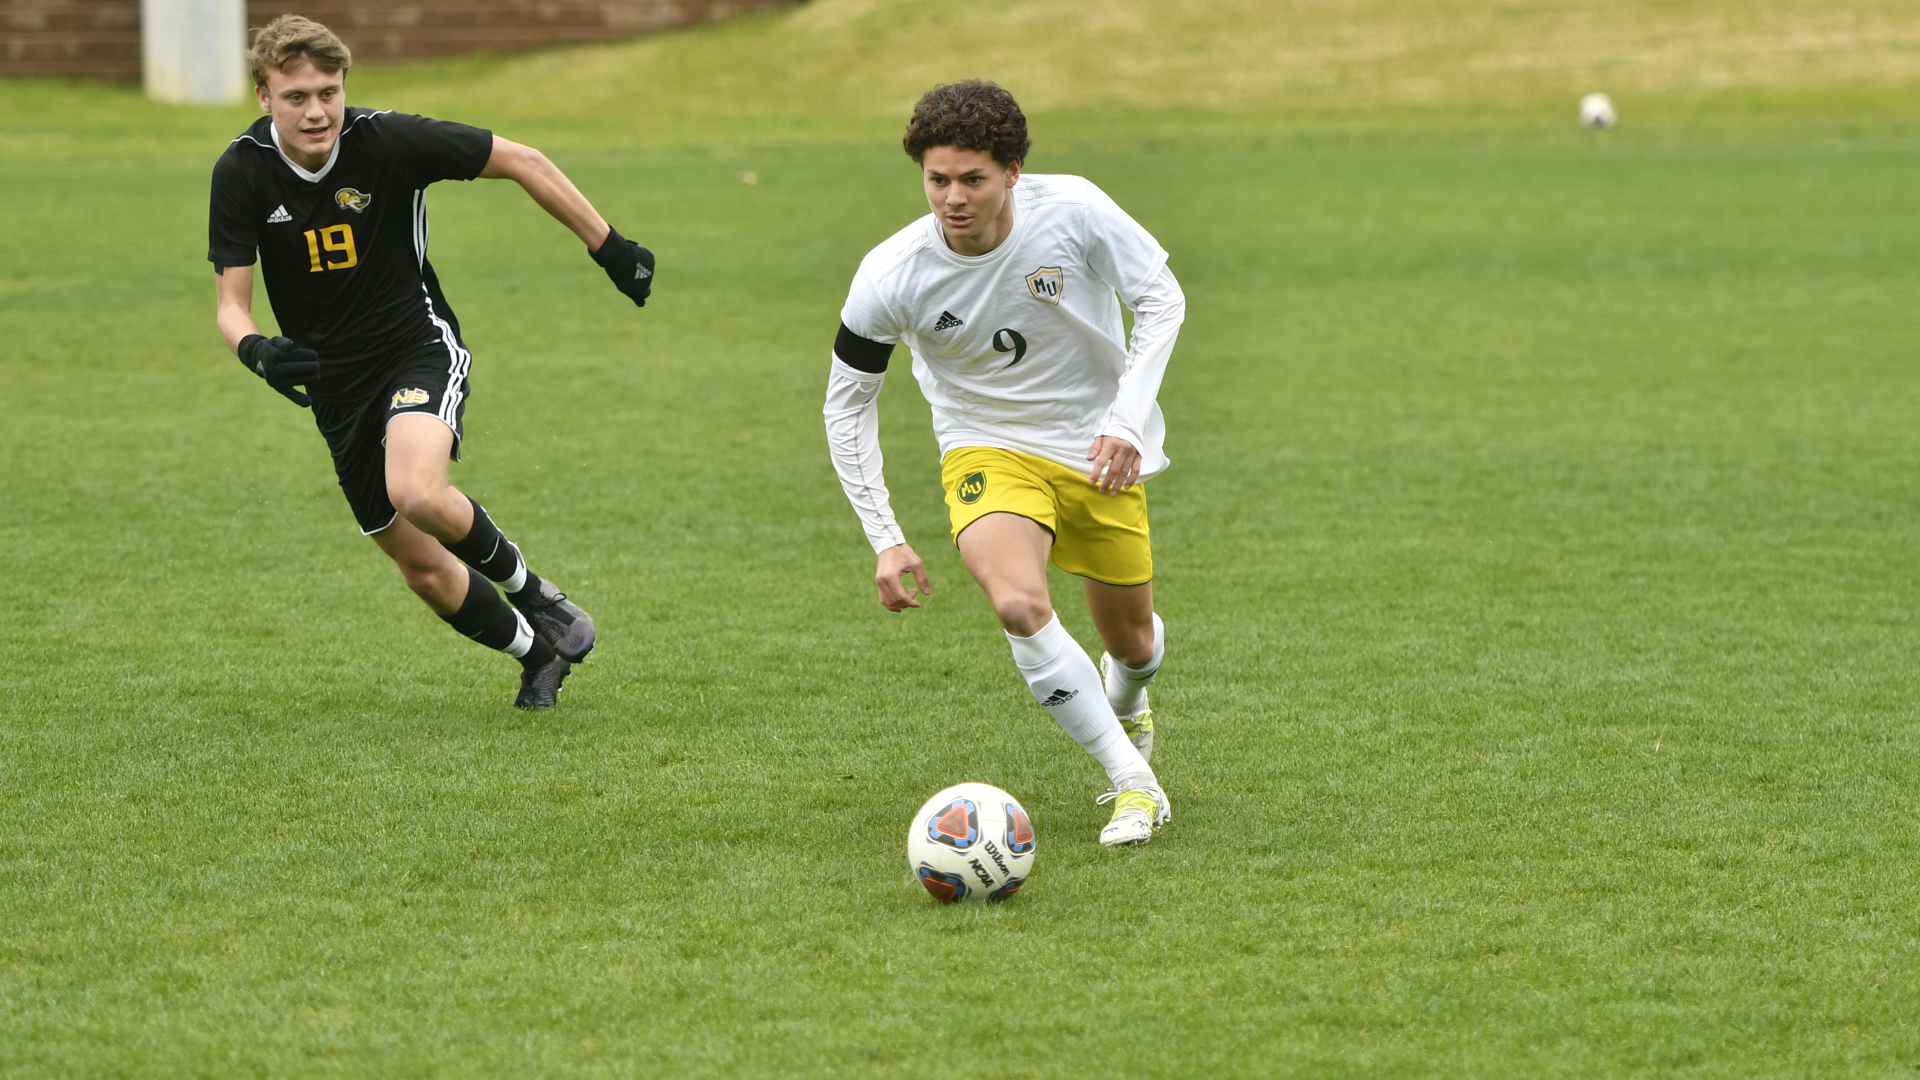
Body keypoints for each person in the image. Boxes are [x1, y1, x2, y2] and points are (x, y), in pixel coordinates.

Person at [208, 16, 655, 708]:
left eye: (329, 91)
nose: (318, 110)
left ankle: (540, 596)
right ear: (264, 96)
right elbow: (231, 306)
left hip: (414, 346)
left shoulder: (386, 141)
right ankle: (537, 656)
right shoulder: (241, 171)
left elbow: (523, 160)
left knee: (416, 488)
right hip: (336, 388)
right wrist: (259, 351)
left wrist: (610, 247)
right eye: (296, 96)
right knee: (421, 567)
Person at [824, 80, 1186, 846]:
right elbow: (847, 403)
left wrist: (1126, 420)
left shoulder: (1075, 210)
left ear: (1013, 171)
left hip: (1097, 450)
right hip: (985, 448)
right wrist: (884, 535)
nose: (952, 198)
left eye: (972, 179)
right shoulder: (891, 273)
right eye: (937, 179)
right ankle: (1134, 784)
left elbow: (1162, 299)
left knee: (1134, 646)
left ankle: (1127, 703)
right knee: (1019, 604)